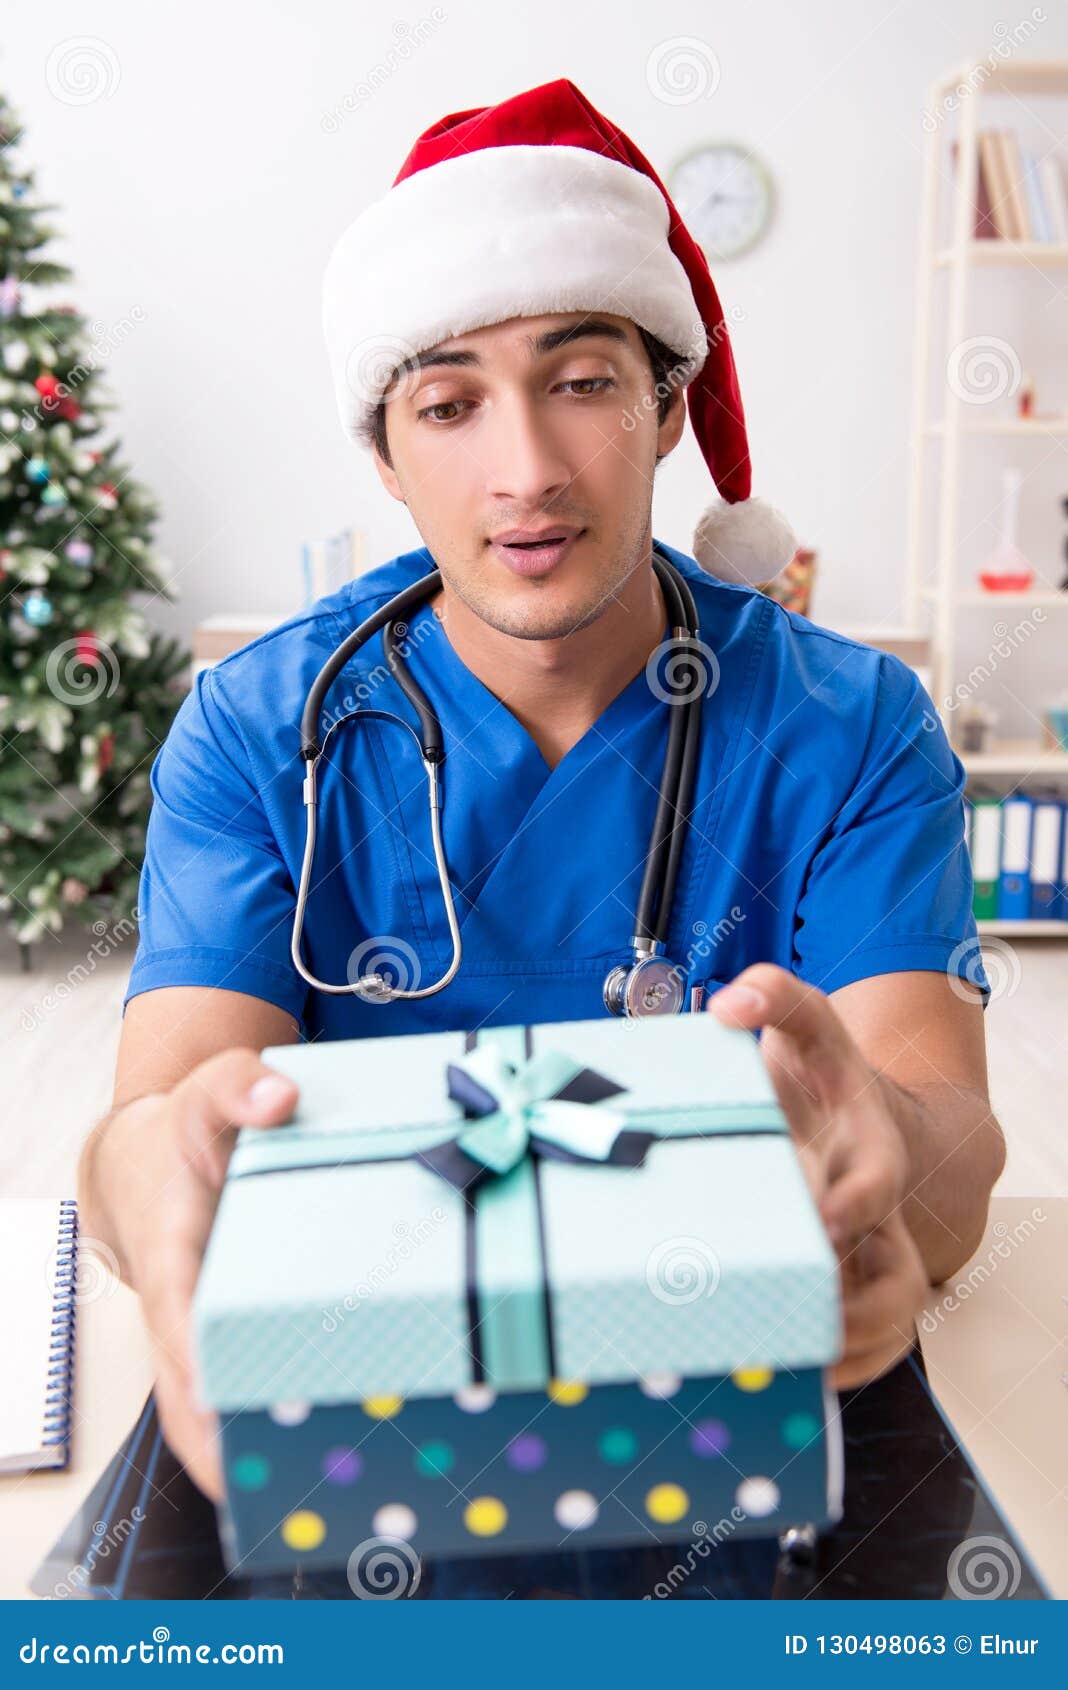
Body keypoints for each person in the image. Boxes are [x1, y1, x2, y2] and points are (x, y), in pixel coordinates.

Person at [78, 78, 1004, 1508]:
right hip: (364, 1410)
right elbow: (154, 1124)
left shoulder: (852, 729)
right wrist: (149, 1185)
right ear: (384, 456)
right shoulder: (261, 736)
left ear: (666, 408)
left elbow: (946, 1140)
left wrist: (882, 1153)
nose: (527, 470)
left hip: (734, 1404)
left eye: (582, 381)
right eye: (449, 404)